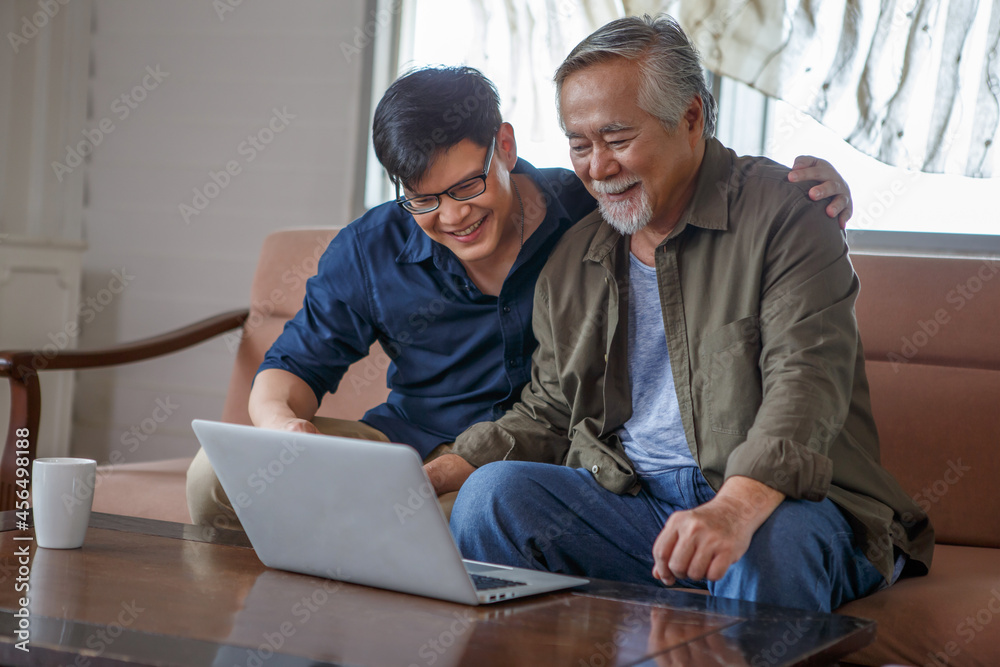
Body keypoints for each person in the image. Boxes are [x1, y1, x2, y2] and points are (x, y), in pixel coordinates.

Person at [186, 65, 854, 530]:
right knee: (215, 476)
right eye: (423, 199)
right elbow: (286, 374)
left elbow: (684, 182)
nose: (451, 216)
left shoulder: (586, 209)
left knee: (480, 511)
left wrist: (810, 190)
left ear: (504, 144)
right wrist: (285, 431)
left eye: (468, 186)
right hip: (406, 452)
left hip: (536, 465)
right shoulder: (371, 248)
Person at [430, 16, 933, 612]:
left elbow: (807, 382)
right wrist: (431, 476)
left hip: (790, 506)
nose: (597, 167)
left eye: (618, 139)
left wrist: (734, 508)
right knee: (491, 496)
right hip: (635, 503)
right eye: (579, 144)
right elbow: (550, 408)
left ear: (690, 119)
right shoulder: (574, 260)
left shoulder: (787, 216)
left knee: (765, 544)